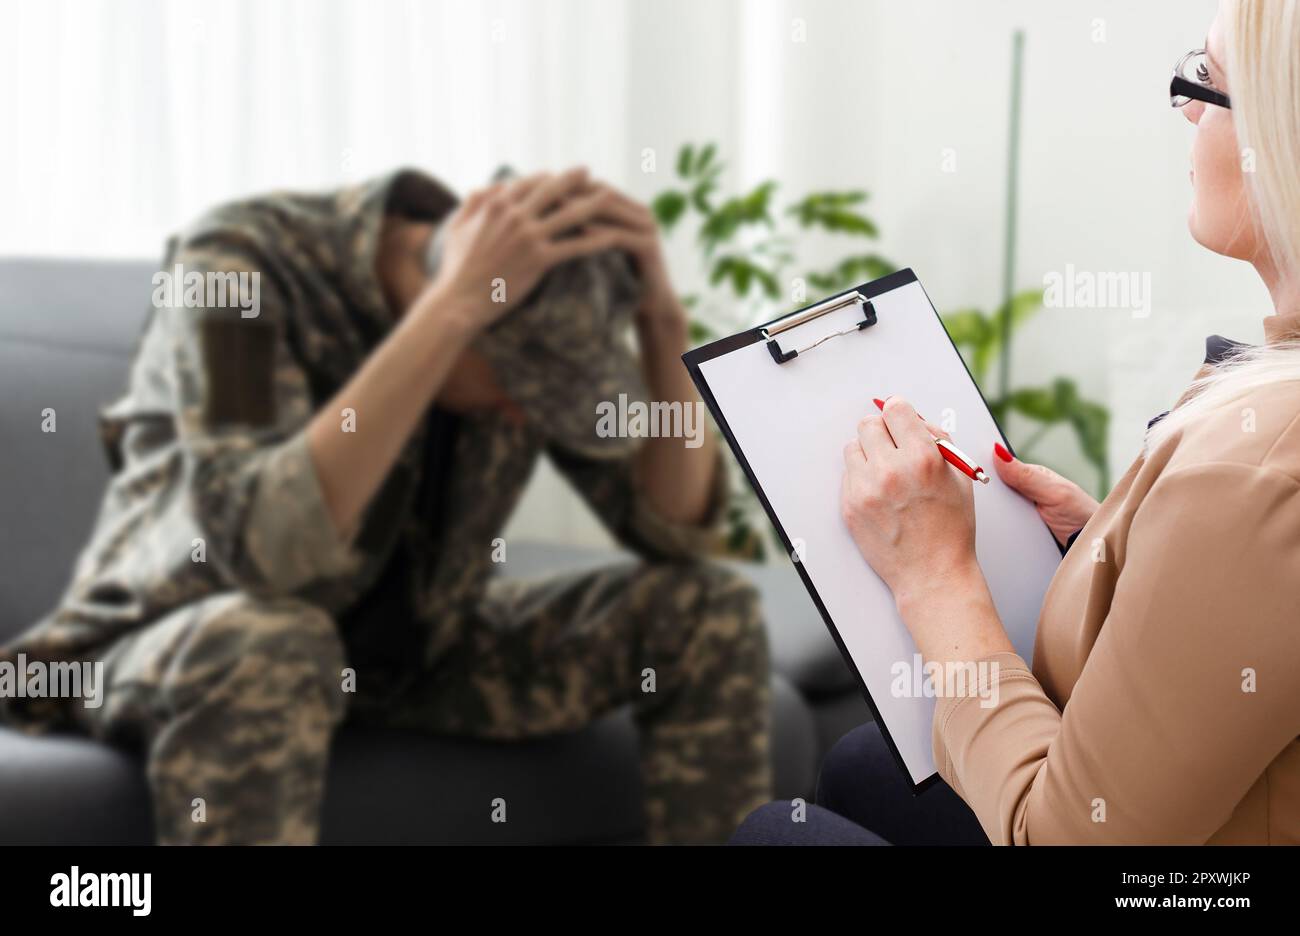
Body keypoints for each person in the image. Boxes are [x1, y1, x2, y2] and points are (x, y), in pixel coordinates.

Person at [0, 166, 772, 845]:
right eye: (511, 384)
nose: (519, 413)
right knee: (271, 642)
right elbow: (261, 549)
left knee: (707, 609)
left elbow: (675, 535)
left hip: (409, 653)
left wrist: (662, 320)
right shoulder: (234, 260)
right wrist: (447, 316)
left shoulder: (531, 320)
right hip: (163, 642)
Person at [734, 0, 1300, 845]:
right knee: (864, 765)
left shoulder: (1255, 467)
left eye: (1207, 81)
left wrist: (936, 578)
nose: (1185, 107)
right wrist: (1115, 543)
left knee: (777, 834)